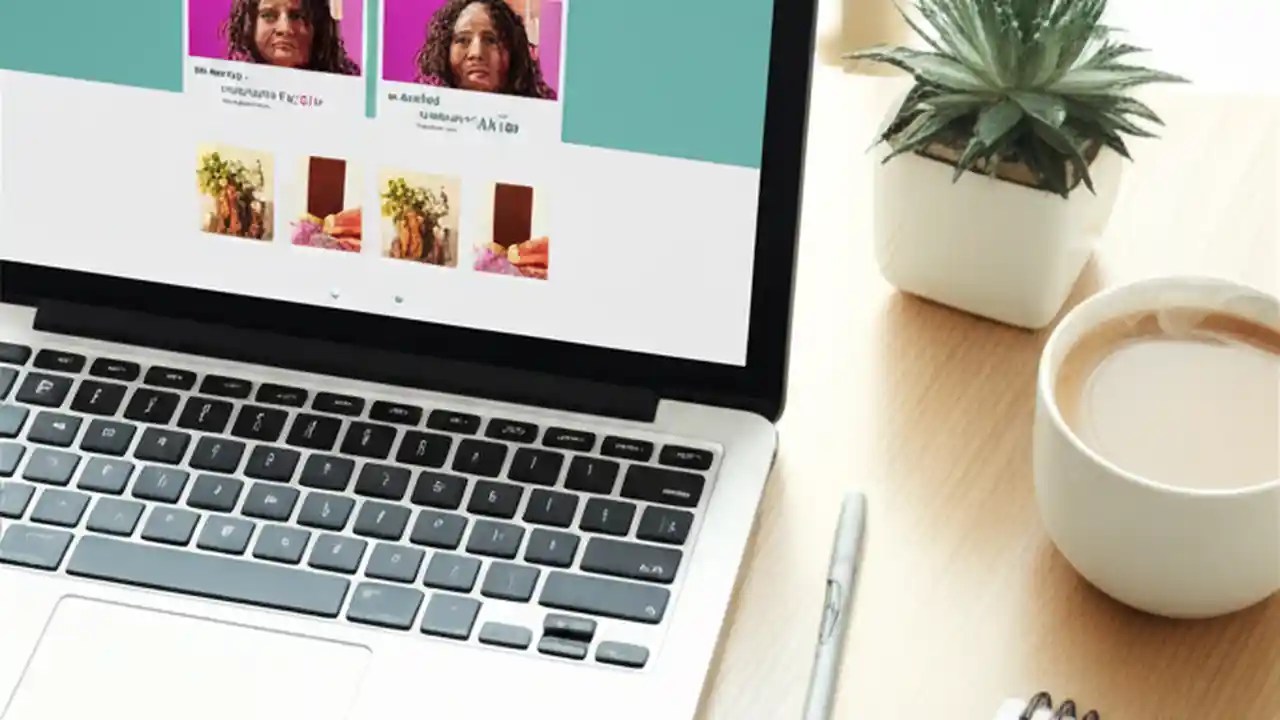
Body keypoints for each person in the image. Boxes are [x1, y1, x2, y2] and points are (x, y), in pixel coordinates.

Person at [414, 0, 557, 99]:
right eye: (462, 40)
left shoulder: (542, 123)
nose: (477, 53)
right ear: (444, 52)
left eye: (491, 40)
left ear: (513, 53)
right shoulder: (418, 118)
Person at [221, 0, 361, 75]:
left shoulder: (348, 99)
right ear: (250, 25)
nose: (285, 28)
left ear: (318, 26)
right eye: (269, 15)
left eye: (296, 16)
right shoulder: (228, 95)